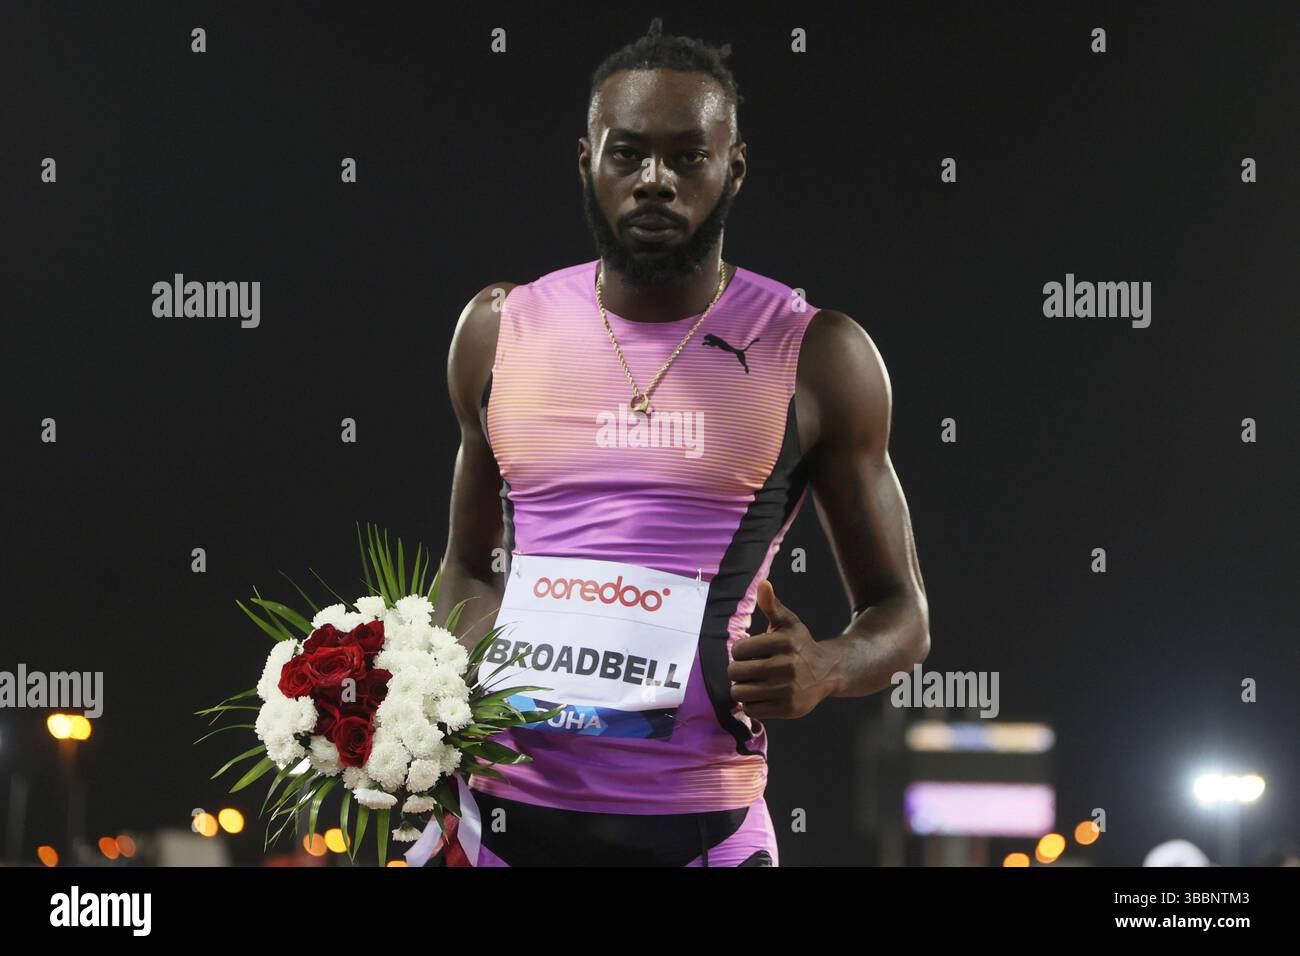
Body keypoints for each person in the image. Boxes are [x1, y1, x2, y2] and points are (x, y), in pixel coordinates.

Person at [434, 18, 930, 866]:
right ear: (585, 161)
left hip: (704, 829)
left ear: (732, 168)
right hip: (504, 821)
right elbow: (467, 565)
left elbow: (903, 616)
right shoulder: (498, 329)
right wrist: (434, 690)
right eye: (627, 154)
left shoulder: (817, 355)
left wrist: (829, 667)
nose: (655, 181)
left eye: (687, 157)